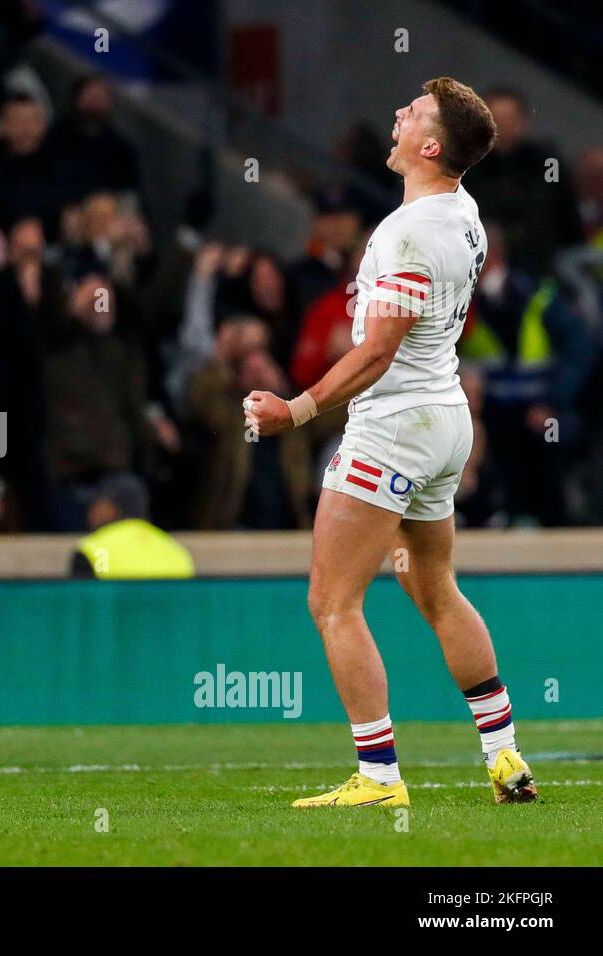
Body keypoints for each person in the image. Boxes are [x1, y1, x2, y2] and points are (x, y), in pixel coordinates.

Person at [243, 78, 535, 808]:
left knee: (332, 601)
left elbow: (376, 352)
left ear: (431, 146)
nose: (397, 114)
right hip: (443, 422)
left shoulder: (408, 233)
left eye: (414, 113)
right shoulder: (463, 212)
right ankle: (504, 757)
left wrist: (298, 408)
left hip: (395, 425)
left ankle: (379, 779)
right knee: (435, 590)